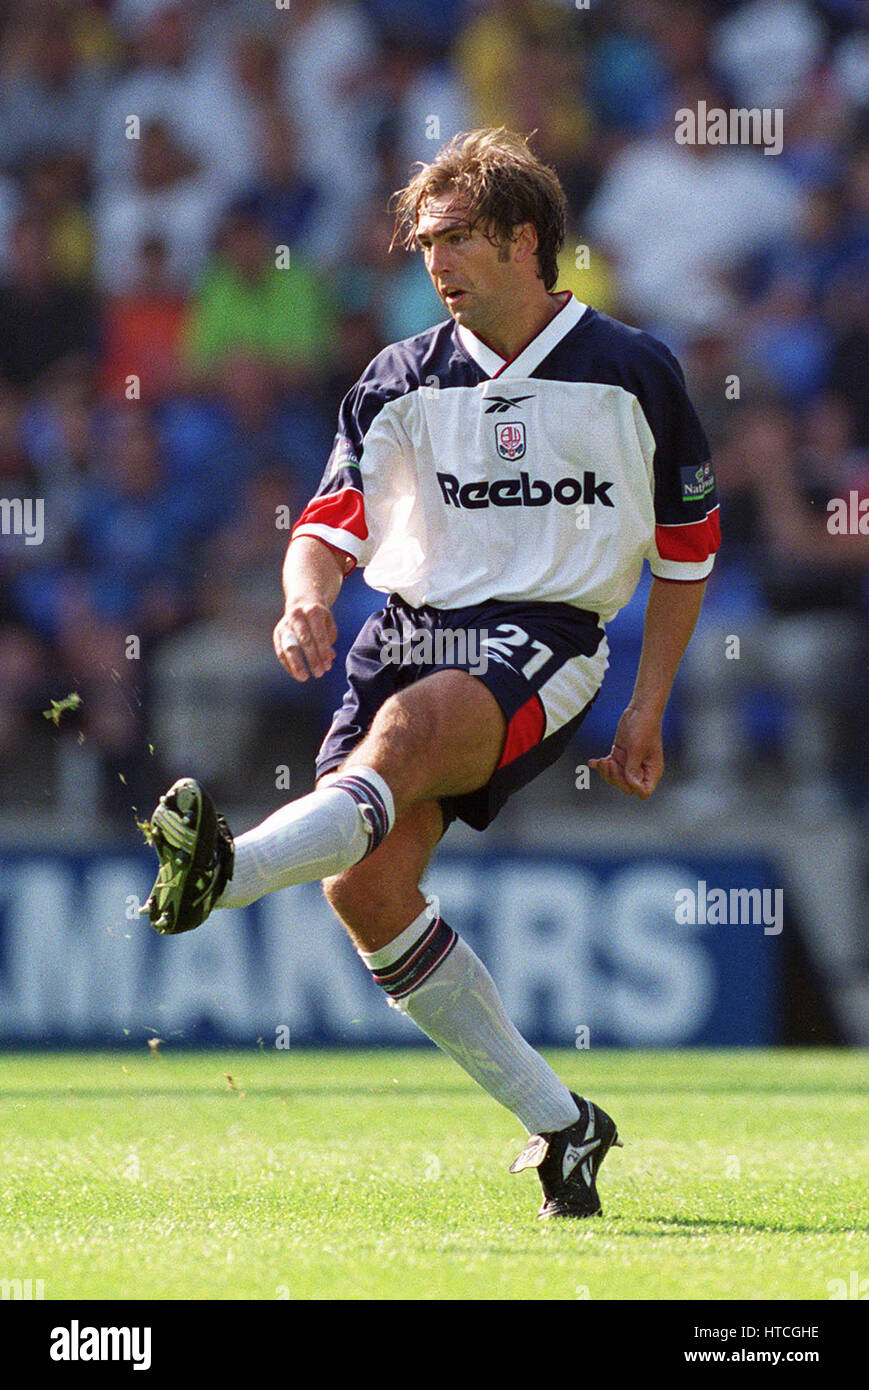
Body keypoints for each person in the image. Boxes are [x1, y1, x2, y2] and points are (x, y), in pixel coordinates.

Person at [142, 129, 720, 1219]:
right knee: (364, 886)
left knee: (408, 737)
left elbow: (685, 550)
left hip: (546, 634)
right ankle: (565, 1125)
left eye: (455, 237)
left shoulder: (631, 370)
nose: (434, 260)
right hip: (401, 631)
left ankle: (223, 866)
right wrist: (304, 594)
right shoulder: (395, 379)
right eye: (421, 242)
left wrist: (646, 703)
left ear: (523, 240)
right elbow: (326, 524)